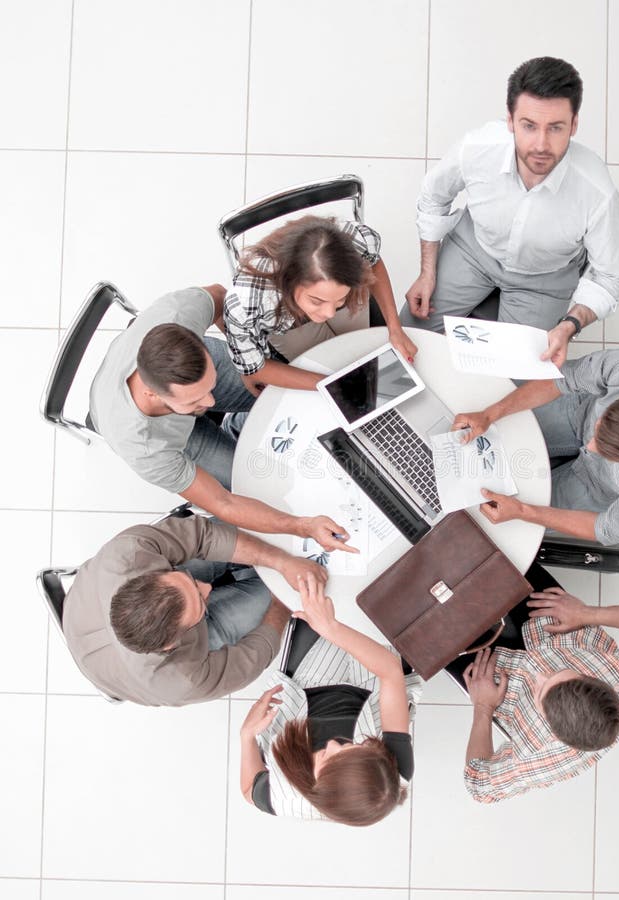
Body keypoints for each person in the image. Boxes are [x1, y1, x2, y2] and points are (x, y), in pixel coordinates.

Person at [89, 284, 355, 553]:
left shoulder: (180, 313)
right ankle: (235, 427)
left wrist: (245, 358)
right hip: (171, 439)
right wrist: (302, 526)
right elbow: (224, 503)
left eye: (209, 388)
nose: (211, 403)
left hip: (187, 381)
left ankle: (223, 405)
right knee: (254, 485)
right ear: (153, 394)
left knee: (281, 392)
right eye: (196, 400)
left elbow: (219, 295)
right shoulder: (145, 448)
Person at [400, 56, 619, 366]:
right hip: (473, 251)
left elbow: (609, 277)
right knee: (409, 342)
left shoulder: (598, 191)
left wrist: (569, 325)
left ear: (574, 125)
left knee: (515, 379)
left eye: (556, 128)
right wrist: (427, 273)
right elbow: (433, 197)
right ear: (510, 120)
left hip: (545, 278)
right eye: (529, 126)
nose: (541, 145)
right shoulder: (477, 148)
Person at [462, 563, 619, 800]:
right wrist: (587, 613)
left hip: (491, 675)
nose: (541, 673)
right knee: (490, 553)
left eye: (541, 689)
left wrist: (483, 708)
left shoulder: (540, 756)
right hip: (554, 624)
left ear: (550, 726)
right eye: (560, 672)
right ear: (593, 680)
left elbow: (480, 785)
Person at [62, 512, 327, 706]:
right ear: (172, 644)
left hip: (82, 611)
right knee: (300, 591)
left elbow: (203, 535)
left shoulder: (128, 554)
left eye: (189, 581)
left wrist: (279, 561)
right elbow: (254, 655)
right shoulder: (181, 679)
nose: (207, 588)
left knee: (249, 526)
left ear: (148, 575)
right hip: (156, 664)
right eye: (201, 603)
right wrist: (281, 594)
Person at [454, 347, 619, 545]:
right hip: (578, 414)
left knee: (487, 518)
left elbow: (605, 527)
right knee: (485, 432)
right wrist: (490, 414)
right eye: (600, 430)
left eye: (604, 449)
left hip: (597, 488)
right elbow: (564, 380)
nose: (590, 448)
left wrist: (522, 510)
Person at [240, 573, 420, 825]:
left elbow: (249, 790)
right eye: (350, 747)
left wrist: (247, 736)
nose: (335, 744)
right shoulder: (392, 773)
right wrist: (330, 627)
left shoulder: (287, 796)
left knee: (315, 589)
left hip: (311, 683)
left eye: (326, 756)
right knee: (388, 588)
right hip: (374, 681)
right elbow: (390, 671)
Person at [224, 215, 418, 395]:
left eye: (339, 298)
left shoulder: (356, 240)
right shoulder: (245, 305)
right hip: (286, 322)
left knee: (365, 349)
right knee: (318, 362)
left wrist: (395, 328)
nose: (330, 313)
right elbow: (256, 367)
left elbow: (373, 262)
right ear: (289, 281)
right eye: (317, 300)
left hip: (311, 307)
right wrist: (334, 385)